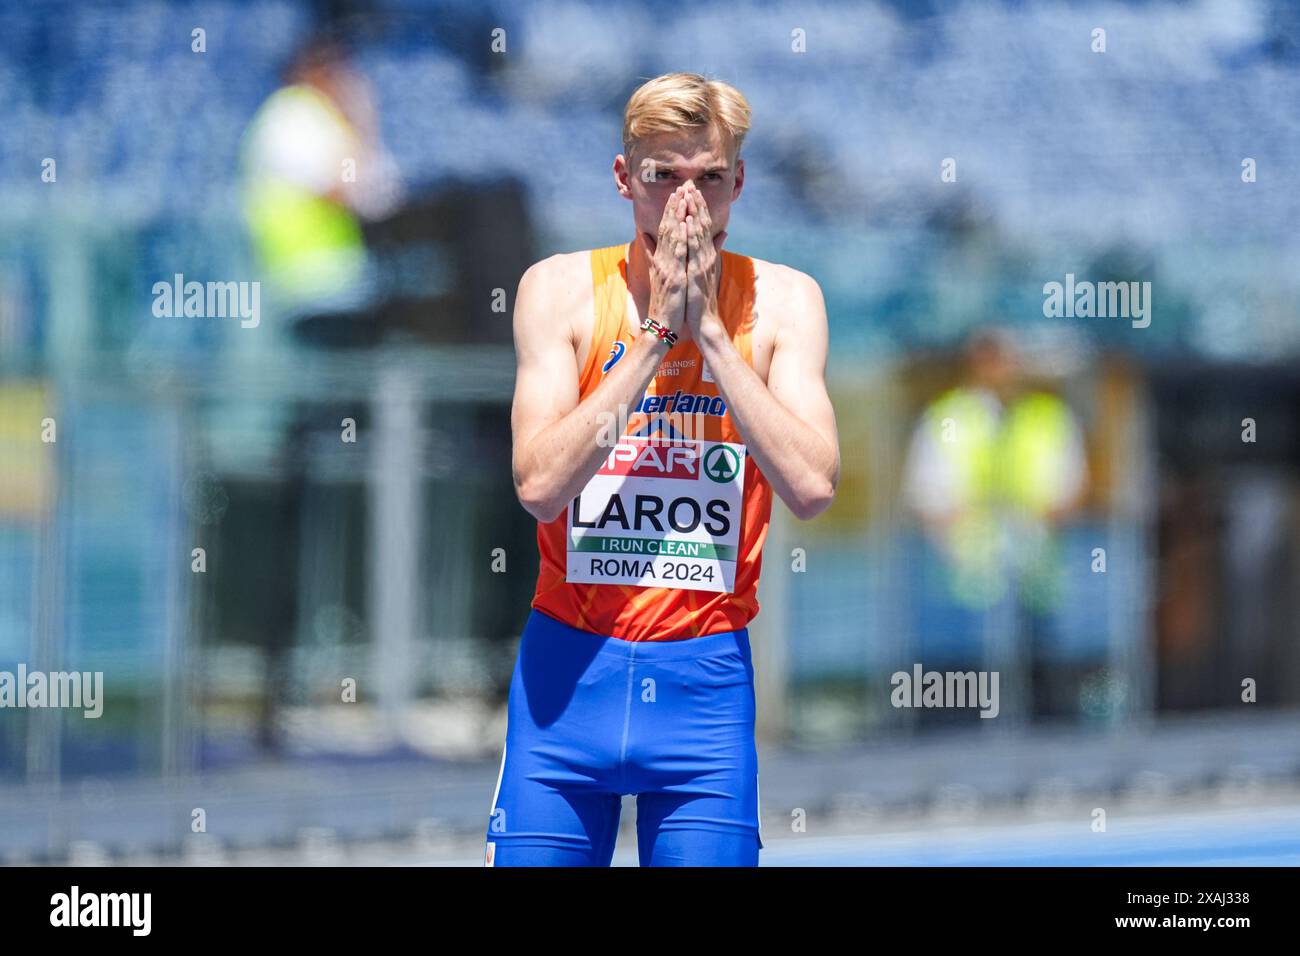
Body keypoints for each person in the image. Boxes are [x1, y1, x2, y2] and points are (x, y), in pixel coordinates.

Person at [486, 73, 840, 866]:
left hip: (702, 689)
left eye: (710, 178)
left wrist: (711, 334)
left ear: (739, 182)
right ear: (624, 179)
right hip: (567, 682)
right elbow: (540, 487)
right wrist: (653, 336)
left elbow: (813, 485)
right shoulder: (560, 292)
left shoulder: (783, 303)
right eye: (663, 177)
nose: (689, 203)